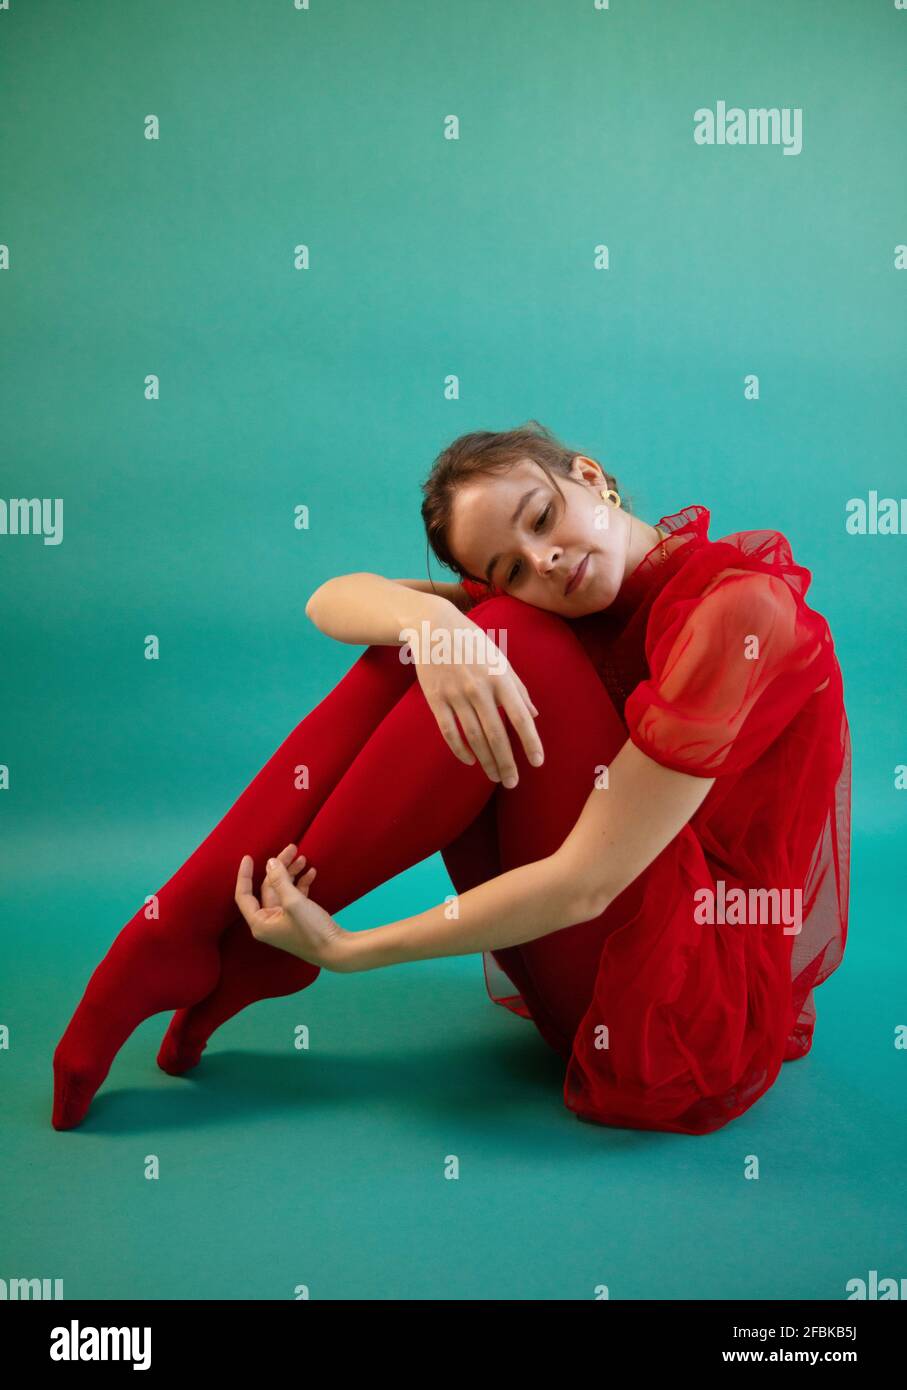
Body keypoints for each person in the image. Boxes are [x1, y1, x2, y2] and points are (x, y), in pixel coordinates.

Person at [52, 422, 851, 1135]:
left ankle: (203, 934)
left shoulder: (737, 613)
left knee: (503, 637)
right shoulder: (555, 601)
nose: (546, 562)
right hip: (573, 968)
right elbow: (330, 600)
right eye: (511, 566)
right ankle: (192, 929)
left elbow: (584, 886)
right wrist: (429, 621)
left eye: (542, 517)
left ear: (590, 475)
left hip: (668, 1012)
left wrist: (350, 949)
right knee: (443, 645)